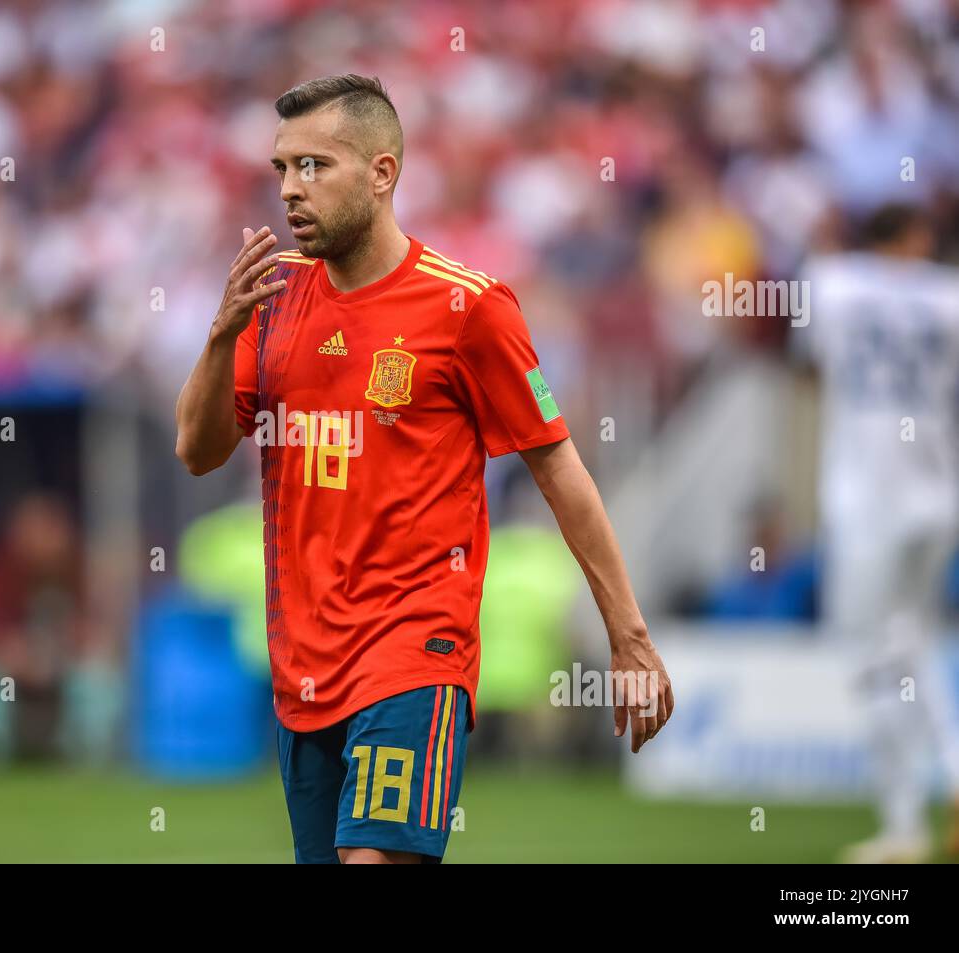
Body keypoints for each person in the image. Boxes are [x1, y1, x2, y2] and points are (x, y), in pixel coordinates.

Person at [175, 74, 672, 864]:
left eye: (315, 166)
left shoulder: (468, 308)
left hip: (415, 649)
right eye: (282, 169)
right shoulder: (270, 304)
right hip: (304, 661)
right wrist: (217, 337)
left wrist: (630, 637)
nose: (291, 190)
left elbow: (560, 468)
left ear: (382, 173)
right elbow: (198, 453)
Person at [802, 204, 959, 863]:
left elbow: (808, 363)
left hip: (867, 498)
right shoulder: (950, 296)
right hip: (938, 489)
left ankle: (907, 821)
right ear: (914, 236)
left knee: (873, 658)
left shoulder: (831, 282)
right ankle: (928, 804)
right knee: (915, 641)